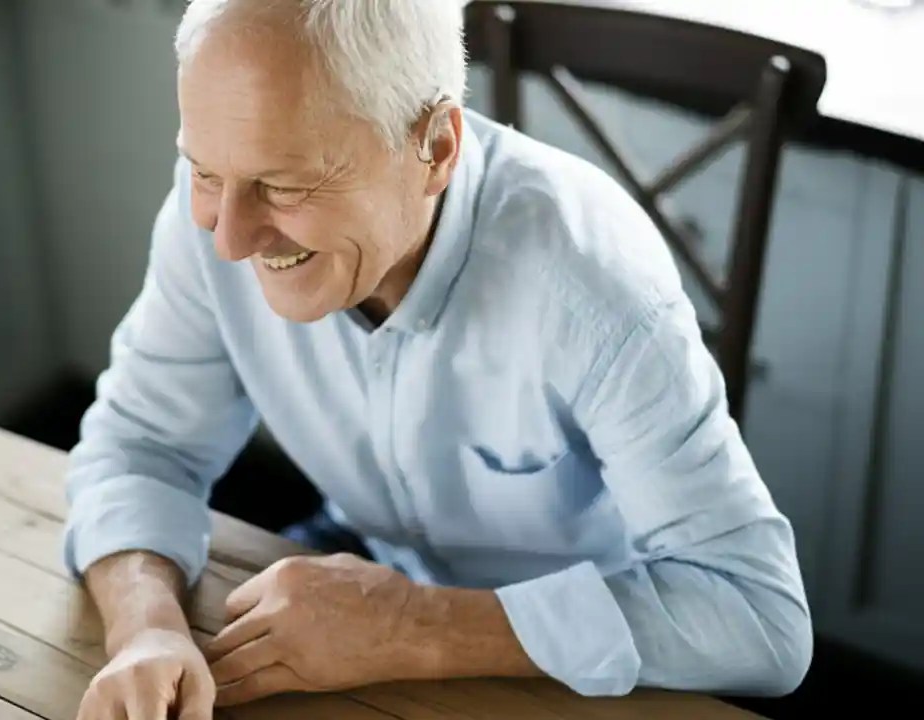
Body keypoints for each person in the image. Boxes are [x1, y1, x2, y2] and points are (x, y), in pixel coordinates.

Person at [63, 0, 813, 718]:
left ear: (436, 148)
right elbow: (140, 445)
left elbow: (759, 616)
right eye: (204, 173)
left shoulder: (596, 288)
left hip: (579, 638)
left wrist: (414, 628)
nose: (228, 239)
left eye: (286, 185)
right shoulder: (226, 207)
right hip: (353, 556)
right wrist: (145, 630)